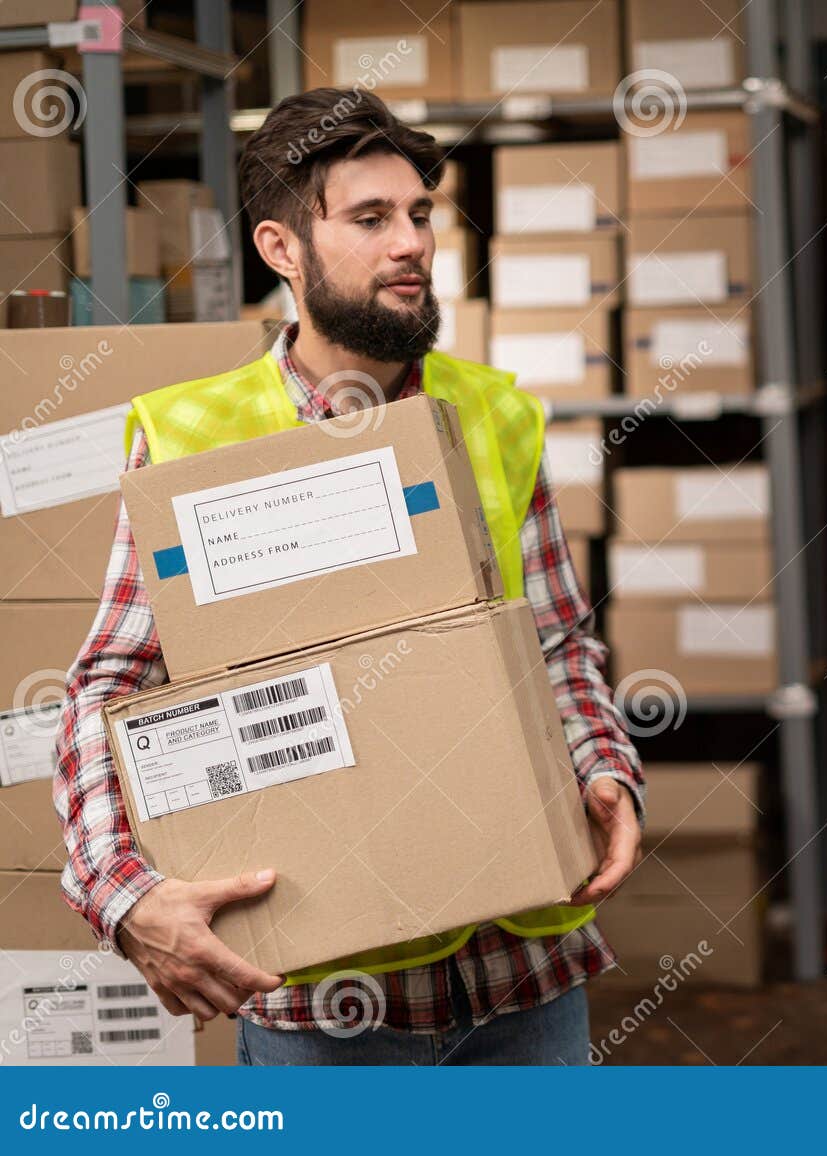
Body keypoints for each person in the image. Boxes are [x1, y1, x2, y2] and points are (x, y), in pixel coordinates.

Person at [54, 87, 645, 1066]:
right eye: (369, 219)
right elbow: (107, 688)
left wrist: (601, 766)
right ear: (283, 248)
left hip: (525, 980)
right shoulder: (197, 438)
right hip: (328, 1002)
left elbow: (555, 640)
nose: (409, 242)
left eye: (418, 214)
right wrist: (123, 895)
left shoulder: (491, 412)